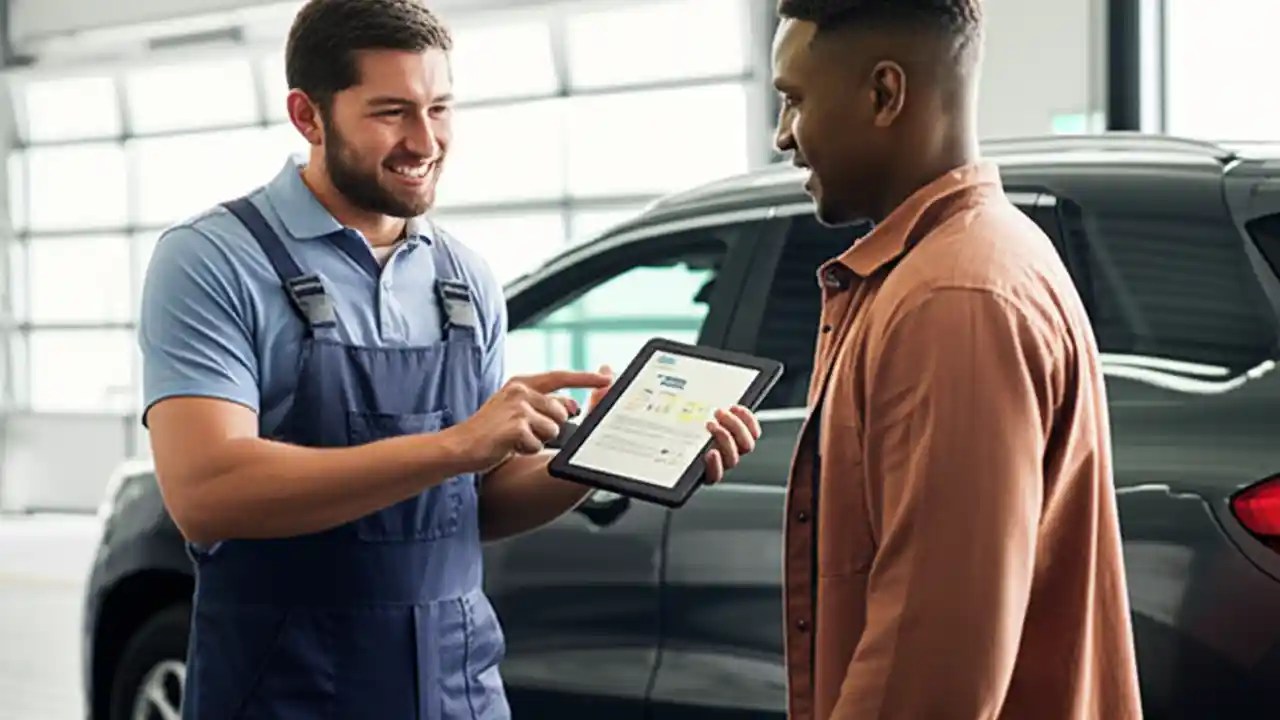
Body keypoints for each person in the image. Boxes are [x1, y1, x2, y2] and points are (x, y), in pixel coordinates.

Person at [138, 1, 762, 718]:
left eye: (440, 107)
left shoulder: (463, 278)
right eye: (391, 112)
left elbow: (472, 505)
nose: (424, 140)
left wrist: (603, 456)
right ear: (308, 117)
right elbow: (207, 492)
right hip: (285, 692)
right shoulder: (212, 262)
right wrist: (455, 445)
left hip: (455, 690)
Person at [769, 1, 1143, 718]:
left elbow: (929, 671)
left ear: (884, 94)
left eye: (794, 101)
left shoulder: (952, 300)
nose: (783, 135)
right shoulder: (969, 261)